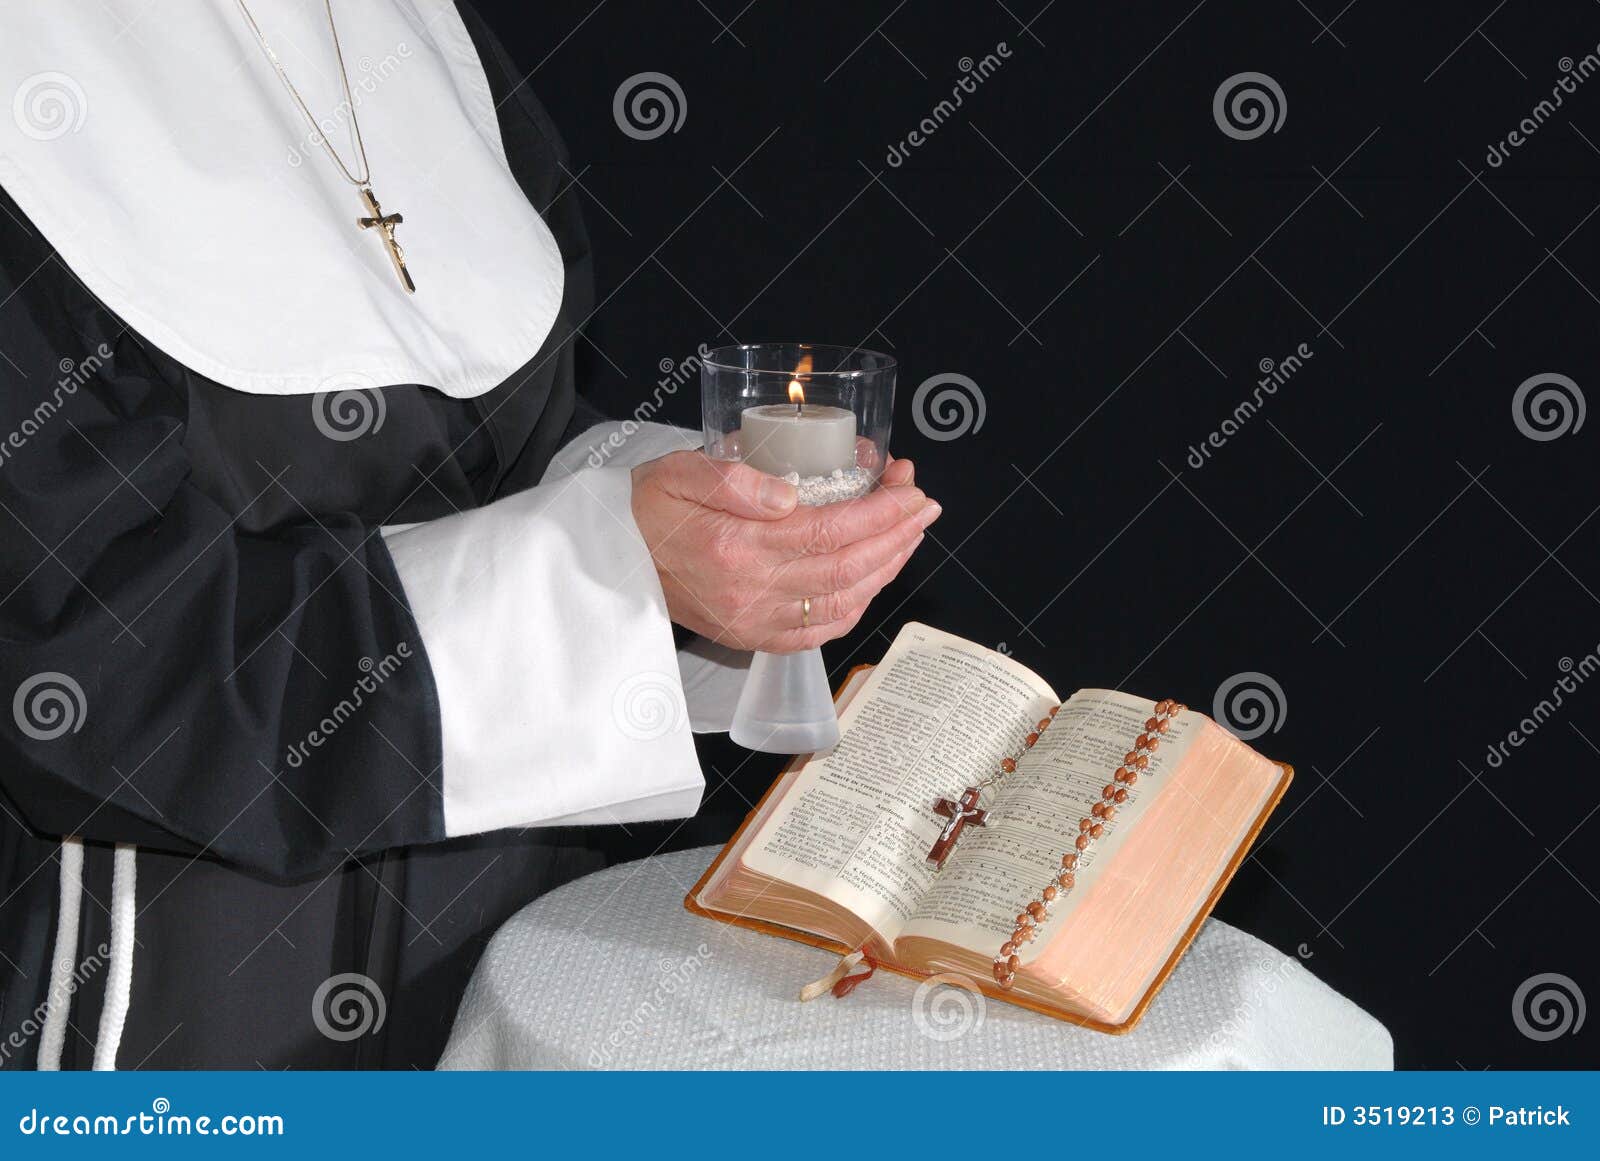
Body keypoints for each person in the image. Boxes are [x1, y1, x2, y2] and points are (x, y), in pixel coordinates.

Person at [0, 1, 936, 1069]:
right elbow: (90, 662)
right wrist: (608, 569)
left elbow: (508, 453)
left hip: (507, 936)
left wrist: (715, 521)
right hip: (186, 999)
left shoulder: (407, 24)